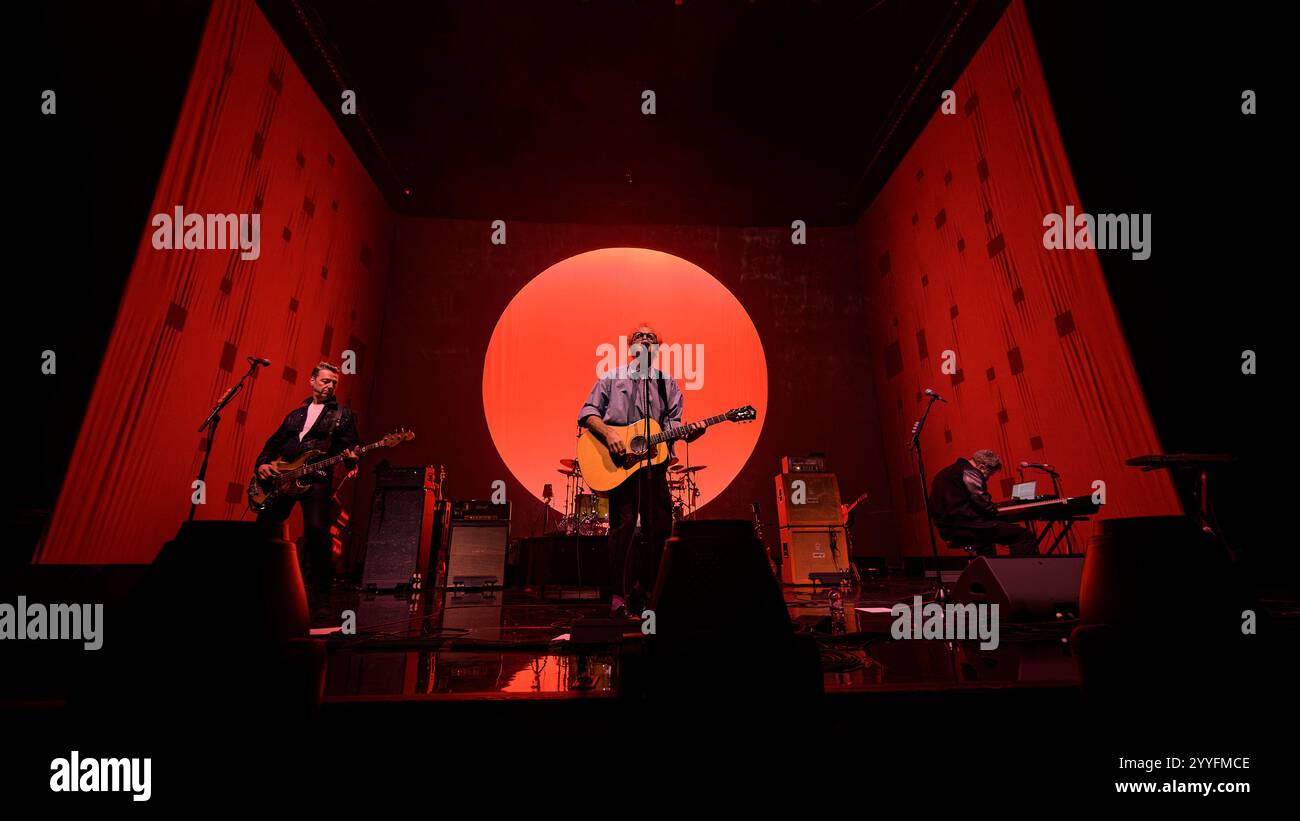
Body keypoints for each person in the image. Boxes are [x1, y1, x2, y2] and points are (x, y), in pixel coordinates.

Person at [578, 324, 705, 617]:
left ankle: (651, 592)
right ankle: (618, 595)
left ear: (657, 349)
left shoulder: (666, 383)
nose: (646, 340)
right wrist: (609, 435)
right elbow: (587, 413)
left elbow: (673, 423)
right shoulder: (611, 378)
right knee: (622, 528)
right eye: (640, 336)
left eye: (651, 338)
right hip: (621, 467)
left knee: (659, 528)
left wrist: (688, 433)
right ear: (631, 346)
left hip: (654, 465)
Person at [254, 361, 359, 600]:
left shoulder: (343, 416)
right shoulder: (295, 416)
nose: (330, 385)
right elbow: (271, 446)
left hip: (317, 478)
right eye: (325, 380)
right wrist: (262, 464)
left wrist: (351, 458)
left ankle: (319, 595)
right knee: (265, 527)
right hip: (284, 478)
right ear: (312, 381)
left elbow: (349, 446)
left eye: (334, 382)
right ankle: (260, 583)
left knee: (317, 533)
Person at [929, 449, 1037, 557]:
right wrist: (998, 510)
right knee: (1024, 536)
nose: (987, 479)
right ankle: (1017, 574)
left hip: (947, 529)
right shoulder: (970, 472)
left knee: (988, 541)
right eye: (988, 475)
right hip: (969, 527)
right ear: (982, 467)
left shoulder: (943, 473)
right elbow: (983, 502)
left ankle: (990, 570)